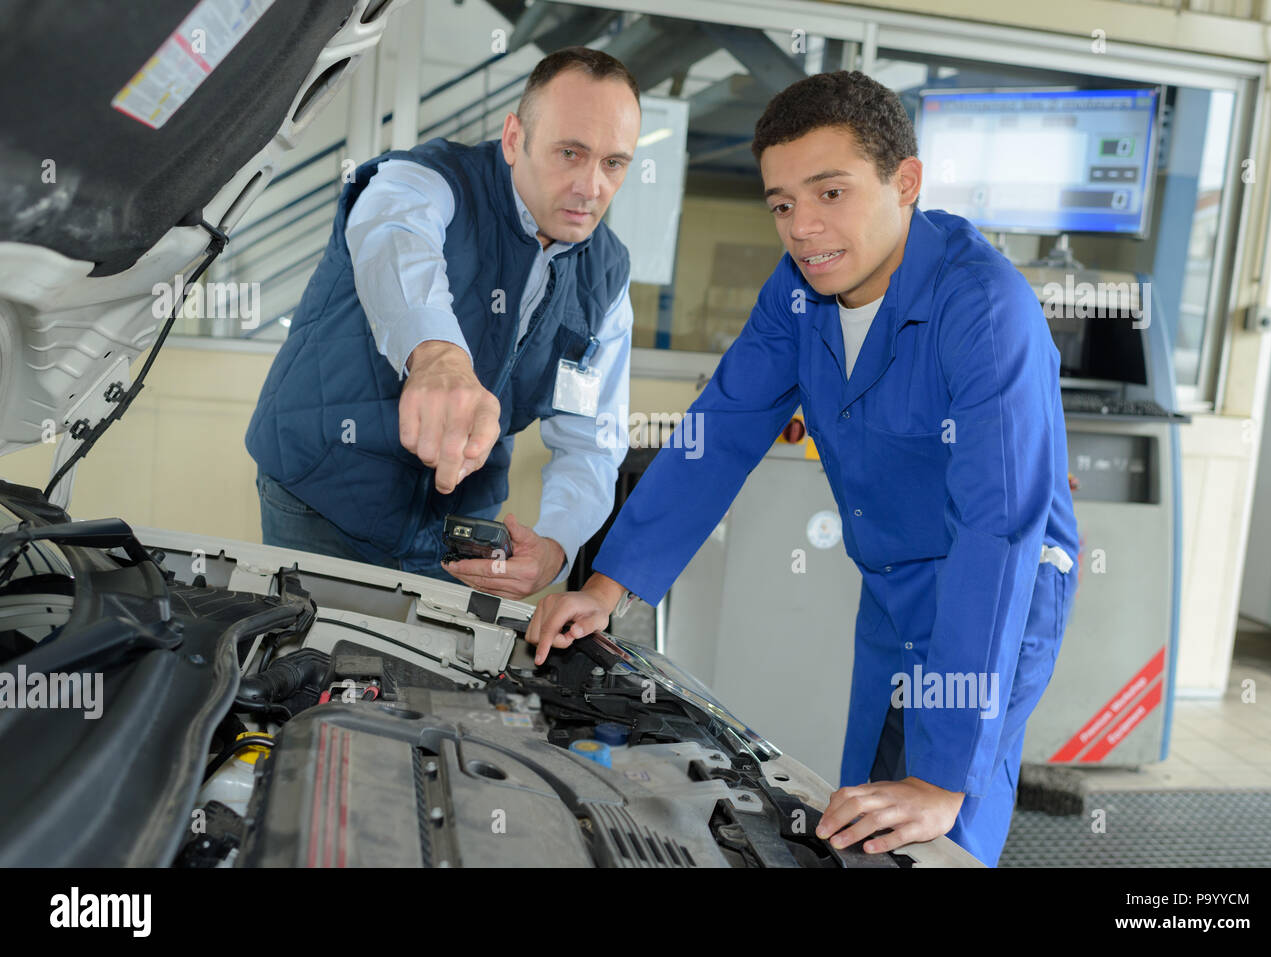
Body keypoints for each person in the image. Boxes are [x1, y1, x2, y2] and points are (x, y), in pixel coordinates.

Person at [524, 70, 1079, 867]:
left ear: (907, 182)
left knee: (936, 827)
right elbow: (717, 431)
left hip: (997, 589)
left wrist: (947, 779)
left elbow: (998, 533)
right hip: (891, 583)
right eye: (782, 204)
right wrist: (607, 587)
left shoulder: (985, 310)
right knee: (861, 817)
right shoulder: (800, 292)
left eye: (831, 193)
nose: (803, 228)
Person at [244, 47, 642, 599]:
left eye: (613, 163)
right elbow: (395, 239)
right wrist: (437, 356)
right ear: (513, 139)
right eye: (569, 153)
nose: (590, 186)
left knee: (426, 683)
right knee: (310, 668)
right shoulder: (424, 180)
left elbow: (592, 443)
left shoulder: (609, 276)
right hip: (323, 495)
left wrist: (556, 545)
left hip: (456, 535)